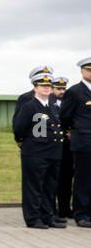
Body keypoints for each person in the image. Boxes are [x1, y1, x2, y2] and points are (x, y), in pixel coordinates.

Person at [13, 71, 64, 228]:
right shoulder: (30, 106)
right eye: (42, 85)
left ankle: (48, 216)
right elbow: (19, 129)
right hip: (35, 152)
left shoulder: (53, 106)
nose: (46, 88)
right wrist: (28, 143)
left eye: (49, 86)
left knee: (49, 187)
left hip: (53, 152)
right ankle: (33, 218)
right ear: (35, 87)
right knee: (34, 187)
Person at [59, 57, 91, 227]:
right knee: (84, 179)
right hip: (84, 141)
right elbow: (64, 116)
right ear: (82, 71)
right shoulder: (75, 92)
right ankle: (82, 214)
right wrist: (73, 131)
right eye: (89, 70)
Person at [52, 77, 74, 219]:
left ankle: (65, 209)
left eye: (63, 88)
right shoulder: (48, 104)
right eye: (58, 88)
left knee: (66, 179)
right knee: (53, 179)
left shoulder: (70, 102)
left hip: (67, 147)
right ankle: (51, 209)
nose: (61, 91)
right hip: (53, 145)